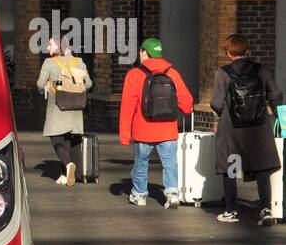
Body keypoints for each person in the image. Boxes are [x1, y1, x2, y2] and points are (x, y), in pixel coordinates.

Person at [210, 34, 283, 225]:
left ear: (228, 52)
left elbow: (217, 103)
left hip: (232, 130)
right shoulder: (261, 70)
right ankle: (266, 210)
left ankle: (231, 211)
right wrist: (276, 114)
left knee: (231, 169)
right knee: (261, 168)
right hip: (258, 128)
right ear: (247, 50)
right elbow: (276, 94)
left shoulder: (223, 73)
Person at [118, 37, 193, 208]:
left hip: (143, 129)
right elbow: (187, 103)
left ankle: (139, 194)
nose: (139, 54)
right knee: (169, 163)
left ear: (145, 53)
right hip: (168, 129)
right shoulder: (172, 73)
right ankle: (173, 193)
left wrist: (124, 135)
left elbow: (127, 106)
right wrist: (187, 110)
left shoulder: (134, 75)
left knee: (141, 162)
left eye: (140, 51)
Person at [36, 36, 92, 185]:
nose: (47, 47)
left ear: (59, 47)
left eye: (50, 45)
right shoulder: (78, 62)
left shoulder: (49, 63)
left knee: (57, 140)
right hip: (75, 109)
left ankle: (68, 165)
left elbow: (40, 84)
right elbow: (89, 84)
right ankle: (64, 174)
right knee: (67, 140)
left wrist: (46, 88)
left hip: (58, 108)